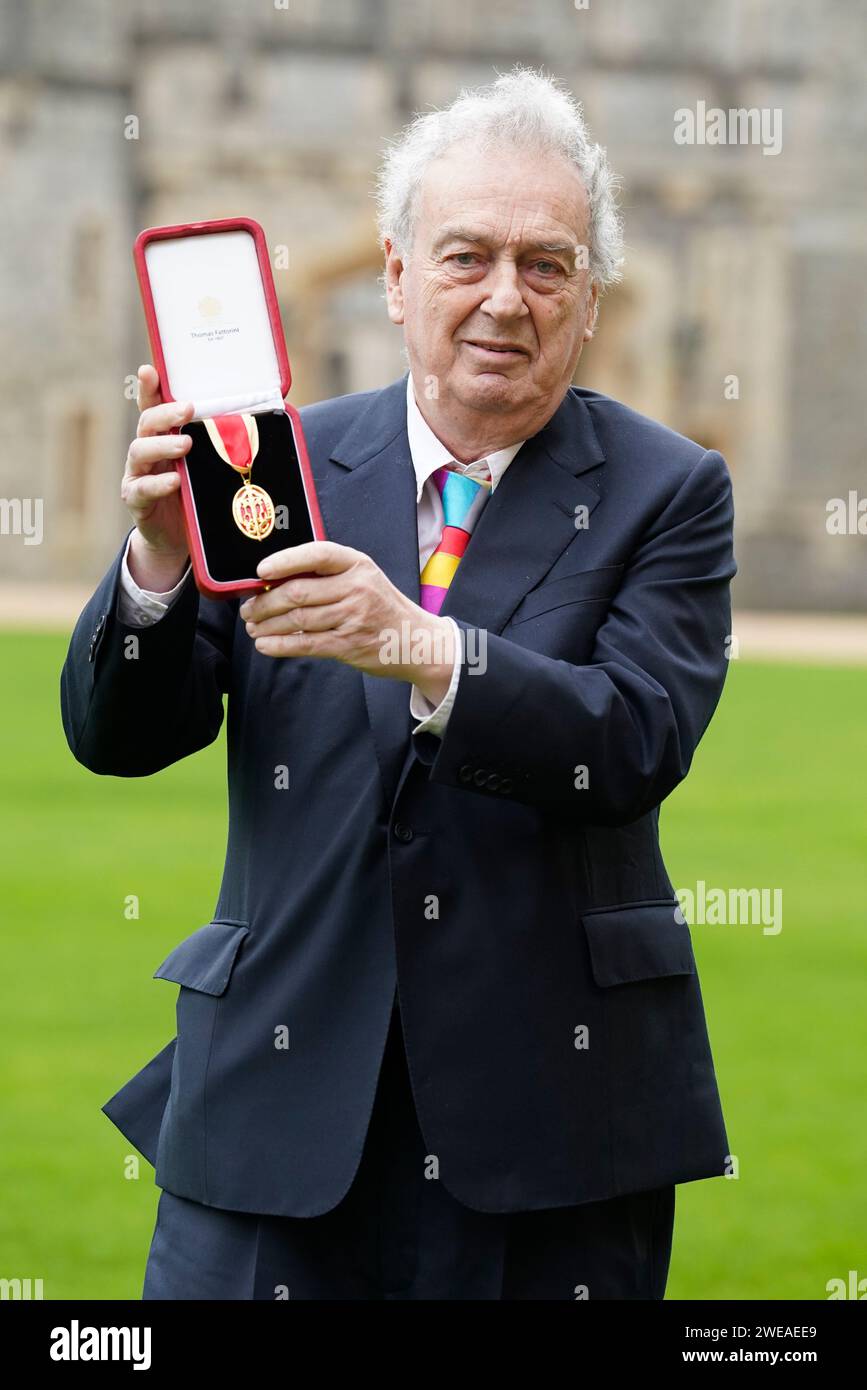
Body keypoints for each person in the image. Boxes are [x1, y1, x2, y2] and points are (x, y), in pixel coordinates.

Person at [60, 67, 736, 1300]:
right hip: (273, 1102)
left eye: (547, 265)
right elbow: (119, 738)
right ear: (394, 275)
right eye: (466, 255)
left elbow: (635, 738)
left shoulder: (671, 489)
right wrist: (155, 560)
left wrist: (423, 646)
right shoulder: (273, 459)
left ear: (590, 300)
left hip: (551, 1137)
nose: (503, 298)